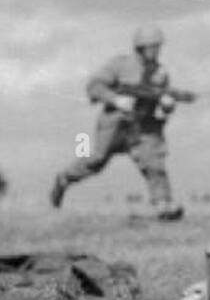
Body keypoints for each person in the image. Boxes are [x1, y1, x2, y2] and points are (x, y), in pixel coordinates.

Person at [49, 24, 198, 220]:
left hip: (142, 126)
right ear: (140, 47)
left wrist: (167, 107)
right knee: (96, 160)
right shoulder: (120, 65)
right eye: (152, 47)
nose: (156, 51)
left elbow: (161, 111)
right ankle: (64, 178)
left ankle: (164, 205)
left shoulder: (160, 74)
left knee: (153, 160)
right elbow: (94, 86)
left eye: (158, 47)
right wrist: (116, 100)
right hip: (115, 124)